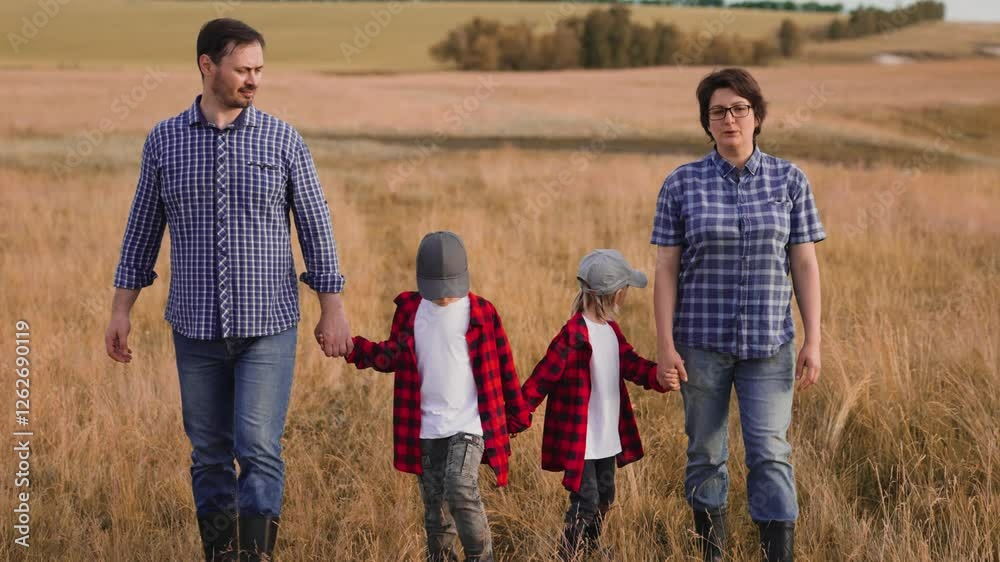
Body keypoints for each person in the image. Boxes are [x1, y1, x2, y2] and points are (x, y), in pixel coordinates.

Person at [104, 18, 353, 561]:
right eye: (243, 69)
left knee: (258, 448)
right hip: (194, 328)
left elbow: (315, 225)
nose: (254, 80)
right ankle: (220, 553)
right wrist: (121, 310)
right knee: (209, 452)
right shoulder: (164, 141)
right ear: (206, 66)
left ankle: (257, 554)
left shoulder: (283, 139)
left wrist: (331, 308)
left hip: (269, 326)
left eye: (259, 69)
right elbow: (141, 231)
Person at [651, 68, 825, 562]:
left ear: (757, 116)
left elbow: (805, 261)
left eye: (739, 109)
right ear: (707, 123)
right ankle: (713, 552)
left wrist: (814, 339)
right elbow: (666, 269)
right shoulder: (681, 184)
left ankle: (779, 555)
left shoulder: (790, 180)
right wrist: (664, 345)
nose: (730, 119)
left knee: (770, 452)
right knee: (706, 452)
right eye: (718, 111)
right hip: (699, 345)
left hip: (770, 344)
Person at [343, 231, 531, 562]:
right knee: (437, 515)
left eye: (450, 288)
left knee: (460, 489)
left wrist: (516, 414)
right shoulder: (409, 312)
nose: (443, 297)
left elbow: (505, 367)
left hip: (469, 425)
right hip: (426, 429)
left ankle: (481, 557)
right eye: (436, 289)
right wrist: (354, 348)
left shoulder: (483, 313)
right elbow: (393, 356)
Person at [520, 249, 679, 561]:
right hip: (581, 441)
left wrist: (658, 376)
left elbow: (631, 365)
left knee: (606, 496)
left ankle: (589, 548)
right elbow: (542, 377)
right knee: (587, 500)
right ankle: (565, 554)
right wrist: (517, 413)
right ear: (617, 294)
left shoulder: (612, 332)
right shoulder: (573, 335)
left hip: (606, 437)